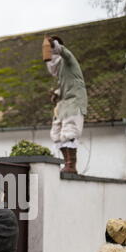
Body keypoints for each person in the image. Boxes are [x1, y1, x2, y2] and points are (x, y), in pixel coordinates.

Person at [43, 35, 88, 174]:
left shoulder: (68, 60)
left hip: (74, 101)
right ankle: (66, 163)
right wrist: (57, 93)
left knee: (70, 130)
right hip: (63, 103)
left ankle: (71, 165)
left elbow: (65, 53)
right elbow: (65, 84)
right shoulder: (61, 70)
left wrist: (53, 45)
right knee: (56, 133)